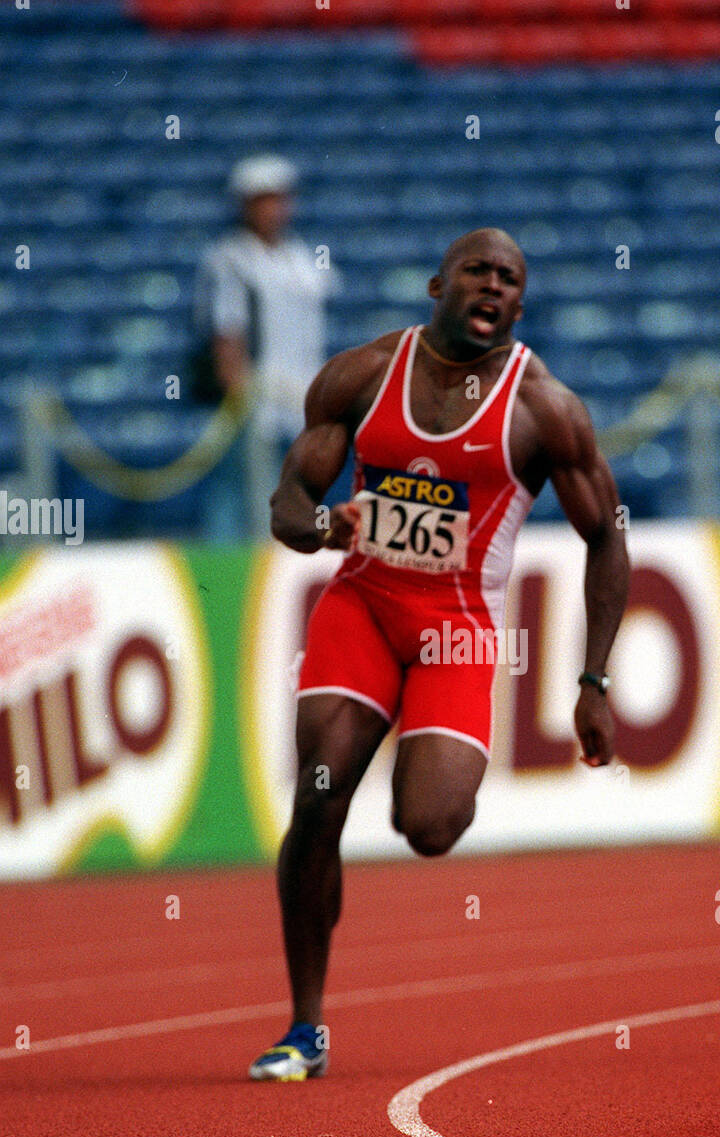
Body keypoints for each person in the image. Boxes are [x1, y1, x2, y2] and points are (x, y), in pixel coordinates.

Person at [249, 227, 630, 1081]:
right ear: (437, 285)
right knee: (318, 799)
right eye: (477, 272)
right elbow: (290, 499)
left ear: (519, 307)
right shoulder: (364, 374)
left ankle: (415, 768)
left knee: (428, 827)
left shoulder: (543, 409)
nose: (492, 286)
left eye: (508, 279)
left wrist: (594, 683)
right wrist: (321, 527)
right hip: (362, 608)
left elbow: (608, 538)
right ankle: (304, 1028)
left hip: (455, 632)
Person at [192, 154, 339, 537]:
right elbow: (227, 331)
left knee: (299, 492)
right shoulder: (230, 259)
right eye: (263, 200)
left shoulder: (301, 255)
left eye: (279, 198)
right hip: (257, 397)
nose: (274, 209)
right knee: (241, 488)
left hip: (302, 396)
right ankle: (226, 570)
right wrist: (238, 394)